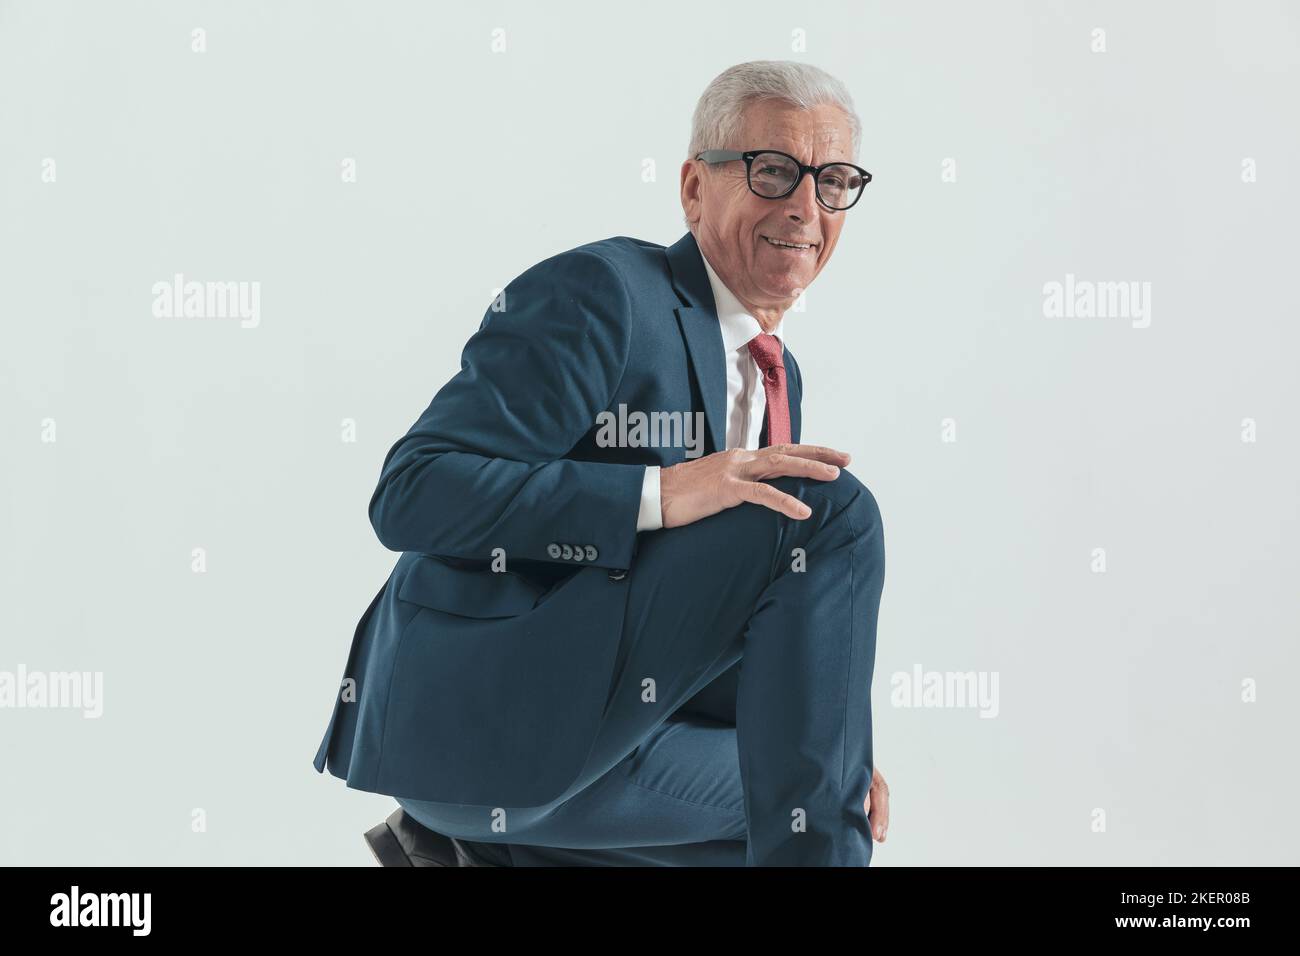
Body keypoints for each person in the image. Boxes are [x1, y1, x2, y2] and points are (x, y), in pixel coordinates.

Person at [312, 59, 890, 866]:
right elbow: (412, 492)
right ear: (695, 188)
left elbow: (734, 622)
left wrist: (834, 748)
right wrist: (656, 492)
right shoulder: (608, 296)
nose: (805, 206)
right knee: (830, 510)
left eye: (833, 182)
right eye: (773, 171)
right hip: (488, 733)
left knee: (821, 804)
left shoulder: (775, 374)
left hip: (617, 753)